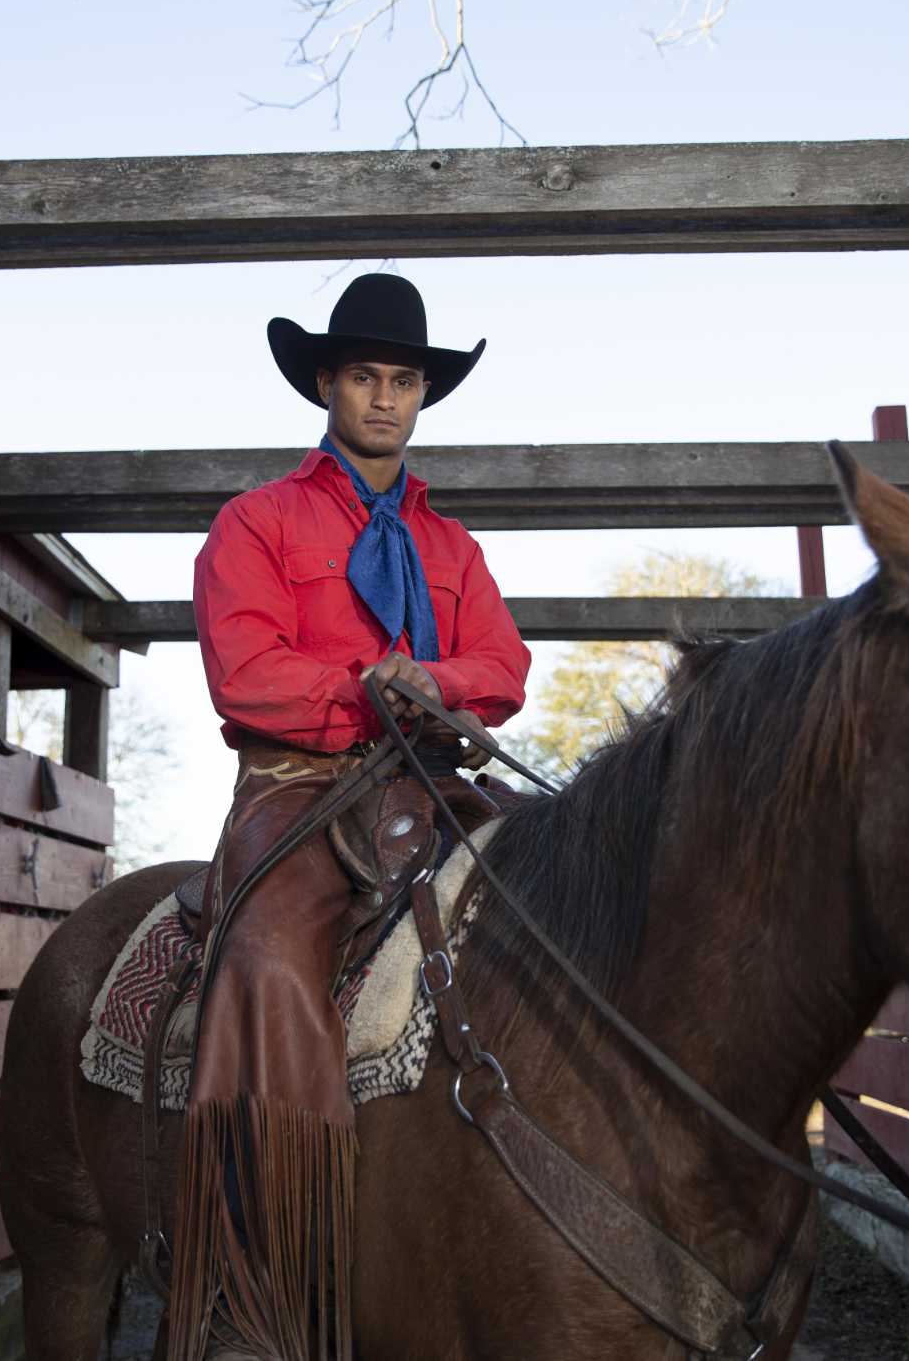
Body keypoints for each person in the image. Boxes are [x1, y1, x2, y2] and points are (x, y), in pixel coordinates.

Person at [169, 273, 531, 1361]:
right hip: (299, 787)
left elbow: (503, 668)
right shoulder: (257, 521)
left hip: (435, 780)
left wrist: (427, 683)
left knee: (555, 905)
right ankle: (262, 1275)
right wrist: (360, 687)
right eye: (364, 377)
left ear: (423, 396)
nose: (384, 398)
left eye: (403, 380)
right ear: (326, 384)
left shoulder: (453, 547)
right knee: (274, 953)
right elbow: (243, 670)